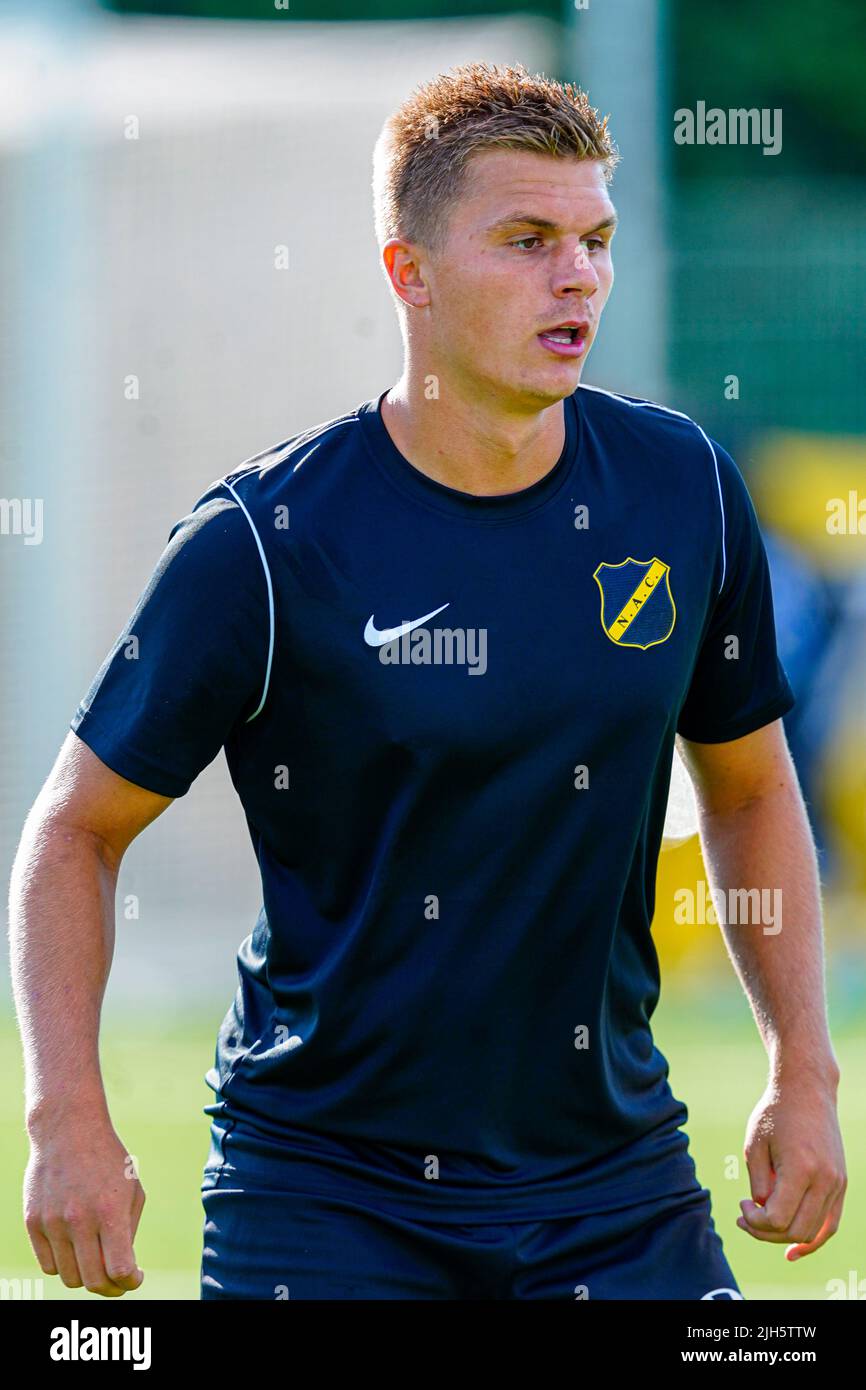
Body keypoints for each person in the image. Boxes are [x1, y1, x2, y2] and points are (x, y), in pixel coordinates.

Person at [10, 62, 846, 1301]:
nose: (578, 277)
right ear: (408, 274)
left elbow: (746, 787)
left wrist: (802, 1069)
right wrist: (63, 1115)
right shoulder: (263, 539)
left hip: (613, 1188)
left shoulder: (682, 492)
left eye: (595, 240)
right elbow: (75, 830)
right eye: (526, 241)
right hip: (323, 1196)